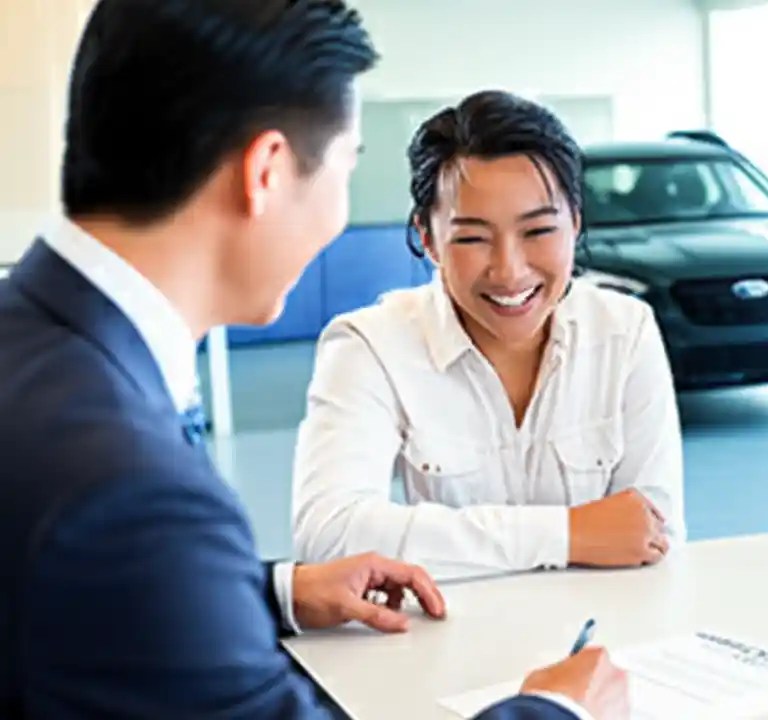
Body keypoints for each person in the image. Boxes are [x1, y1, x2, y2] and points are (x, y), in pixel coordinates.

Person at [0, 1, 628, 718]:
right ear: (266, 171)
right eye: (344, 164)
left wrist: (270, 592)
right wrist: (557, 712)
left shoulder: (36, 349)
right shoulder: (128, 493)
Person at [291, 90, 685, 581]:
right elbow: (328, 533)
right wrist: (569, 533)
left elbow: (650, 532)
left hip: (602, 636)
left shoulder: (625, 331)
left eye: (538, 231)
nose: (509, 271)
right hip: (446, 641)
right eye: (473, 238)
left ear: (575, 224)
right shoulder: (369, 346)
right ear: (429, 239)